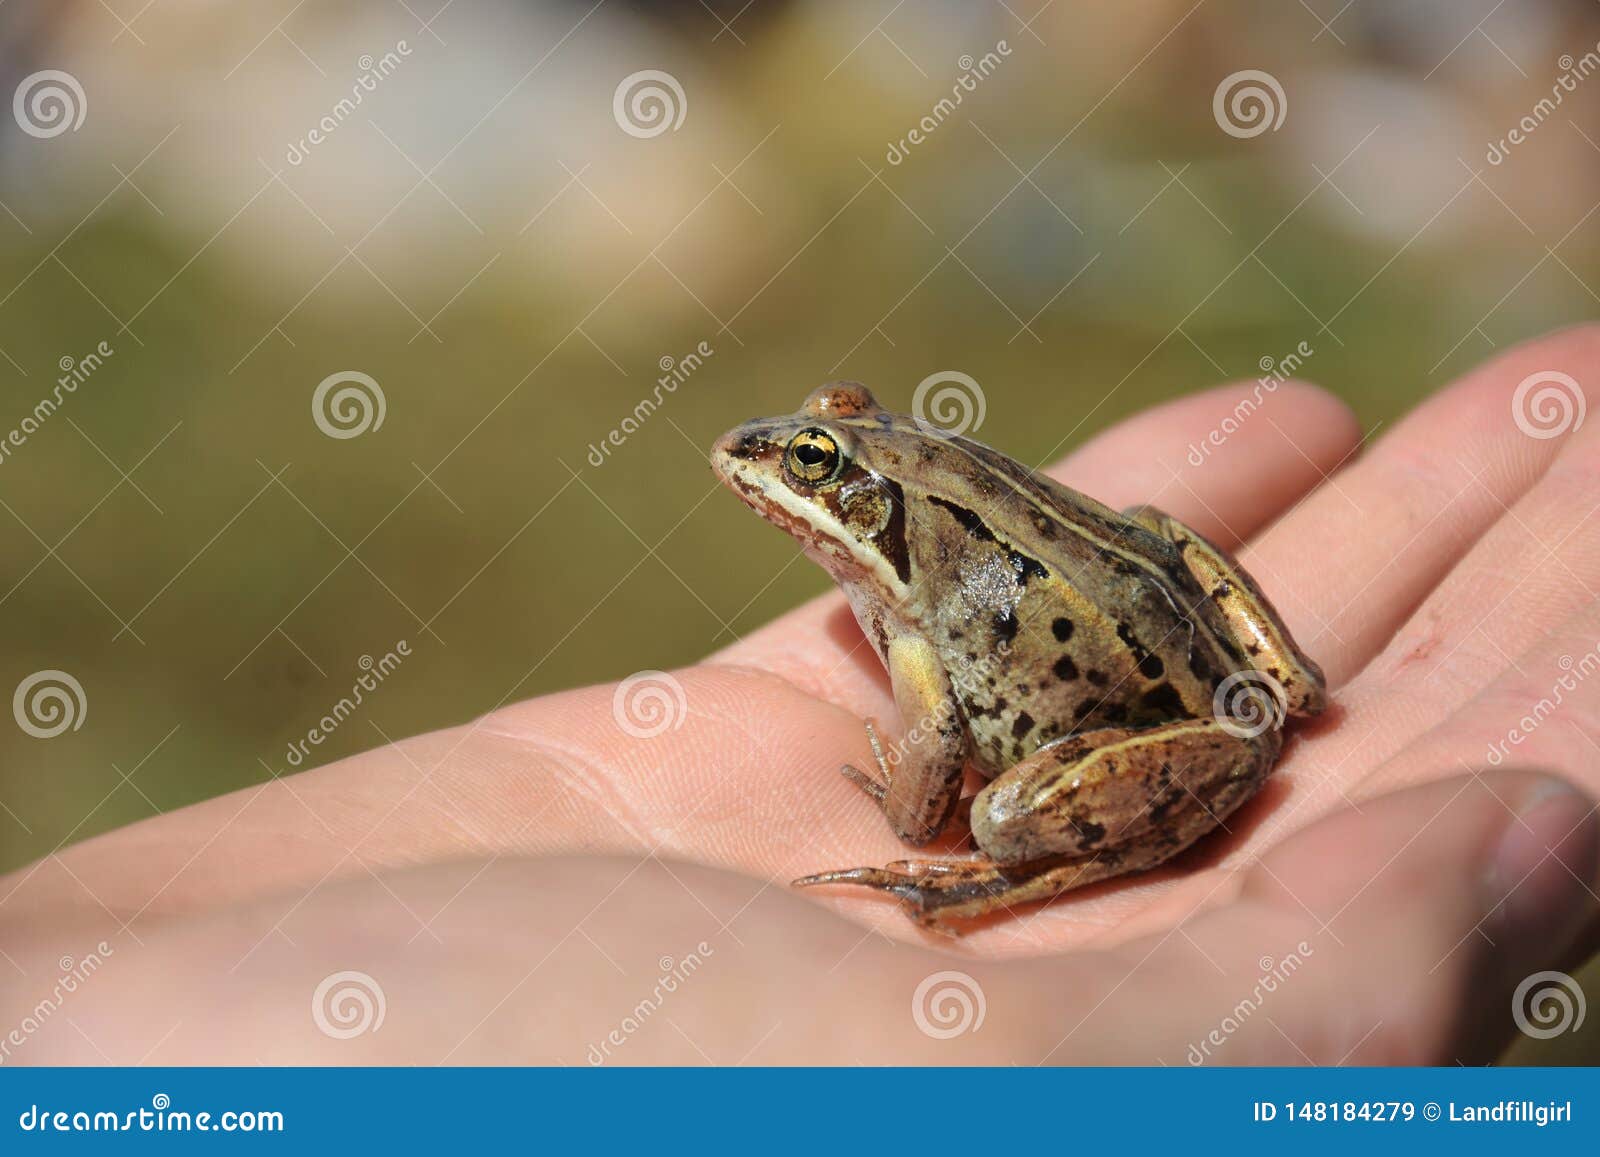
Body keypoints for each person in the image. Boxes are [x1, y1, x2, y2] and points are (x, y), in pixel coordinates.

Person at [2, 329, 1596, 1065]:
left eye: (827, 461)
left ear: (871, 496)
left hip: (1117, 712)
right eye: (819, 440)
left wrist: (925, 823)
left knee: (1015, 808)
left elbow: (942, 760)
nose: (785, 465)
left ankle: (1107, 839)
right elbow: (1158, 537)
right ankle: (1275, 692)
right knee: (1174, 524)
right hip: (1188, 628)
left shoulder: (911, 615)